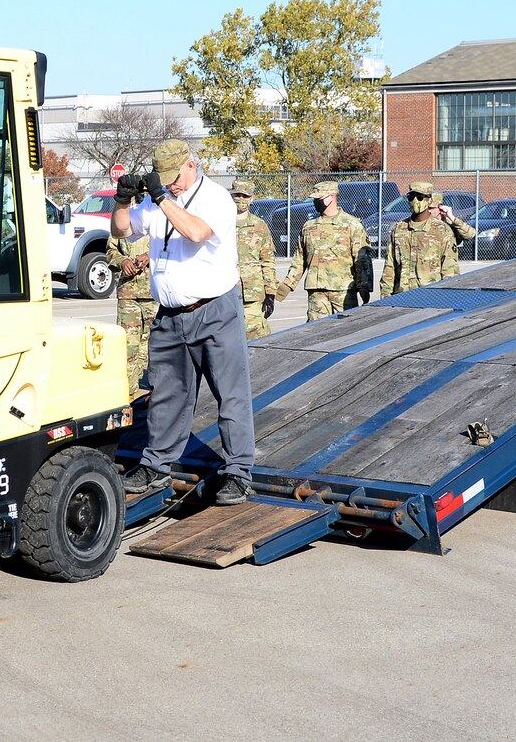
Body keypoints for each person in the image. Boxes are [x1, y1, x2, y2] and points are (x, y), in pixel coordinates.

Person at [111, 139, 256, 506]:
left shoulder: (216, 198)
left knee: (230, 394)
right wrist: (123, 200)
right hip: (171, 318)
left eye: (174, 178)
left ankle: (238, 472)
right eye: (164, 180)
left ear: (191, 165)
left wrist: (163, 199)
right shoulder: (160, 198)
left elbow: (195, 232)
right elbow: (121, 231)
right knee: (166, 396)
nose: (171, 184)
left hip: (214, 313)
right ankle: (156, 466)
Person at [274, 180, 373, 321]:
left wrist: (364, 286)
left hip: (343, 291)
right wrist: (287, 285)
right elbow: (299, 259)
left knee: (346, 331)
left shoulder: (352, 225)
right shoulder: (309, 226)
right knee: (316, 332)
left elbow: (362, 259)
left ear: (331, 197)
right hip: (317, 291)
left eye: (318, 199)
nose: (315, 202)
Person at [380, 181, 474, 296]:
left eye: (420, 197)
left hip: (431, 298)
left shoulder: (442, 230)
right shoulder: (399, 229)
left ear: (429, 200)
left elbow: (450, 271)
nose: (415, 201)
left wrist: (449, 299)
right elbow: (389, 267)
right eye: (411, 197)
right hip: (402, 297)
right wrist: (385, 297)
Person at [106, 232, 157, 400]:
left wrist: (150, 255)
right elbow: (111, 250)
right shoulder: (124, 216)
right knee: (127, 347)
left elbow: (175, 248)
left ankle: (157, 395)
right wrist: (123, 262)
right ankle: (128, 396)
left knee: (157, 348)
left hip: (156, 293)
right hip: (128, 293)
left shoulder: (162, 211)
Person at [230, 179, 276, 339]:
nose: (240, 199)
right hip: (227, 292)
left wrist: (270, 293)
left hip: (254, 295)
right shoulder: (221, 222)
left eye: (245, 196)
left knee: (258, 340)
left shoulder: (259, 225)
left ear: (252, 199)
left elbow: (267, 260)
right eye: (237, 195)